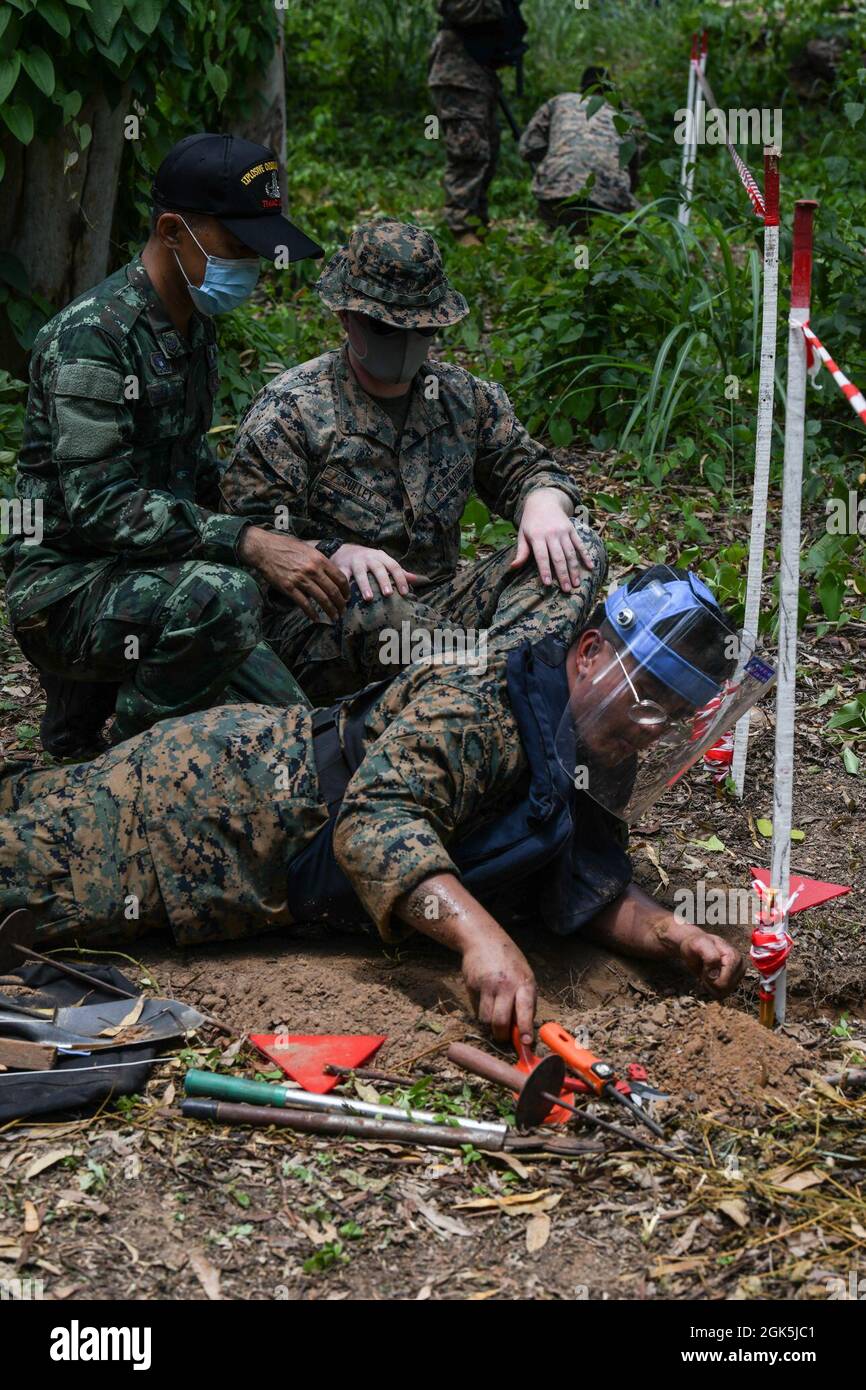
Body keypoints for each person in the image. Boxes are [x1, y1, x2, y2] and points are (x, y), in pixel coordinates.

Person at [0, 567, 772, 1042]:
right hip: (207, 809)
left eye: (672, 715)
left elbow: (584, 877)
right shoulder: (485, 699)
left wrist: (671, 932)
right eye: (648, 699)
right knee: (24, 877)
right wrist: (480, 939)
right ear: (592, 652)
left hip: (266, 854)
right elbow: (375, 824)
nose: (651, 727)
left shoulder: (595, 748)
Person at [2, 133, 348, 758]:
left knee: (304, 736)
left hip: (150, 568)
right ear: (170, 230)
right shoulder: (93, 338)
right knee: (224, 594)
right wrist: (247, 543)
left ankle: (97, 718)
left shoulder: (191, 324)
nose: (249, 262)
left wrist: (309, 544)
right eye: (235, 244)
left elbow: (190, 471)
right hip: (66, 587)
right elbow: (102, 507)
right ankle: (125, 777)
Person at [221, 218, 596, 703]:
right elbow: (243, 542)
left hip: (440, 608)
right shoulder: (292, 411)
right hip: (332, 622)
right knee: (384, 613)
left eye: (421, 328)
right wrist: (333, 552)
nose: (403, 342)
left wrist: (543, 502)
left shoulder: (461, 398)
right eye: (384, 327)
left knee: (576, 551)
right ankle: (501, 688)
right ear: (345, 318)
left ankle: (493, 681)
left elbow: (527, 468)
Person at [428, 0, 528, 245]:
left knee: (488, 151)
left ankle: (477, 224)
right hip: (458, 69)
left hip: (479, 69)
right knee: (468, 151)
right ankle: (461, 229)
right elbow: (457, 8)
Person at [519, 69, 642, 232]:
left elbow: (527, 148)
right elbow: (634, 164)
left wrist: (559, 150)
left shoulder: (560, 101)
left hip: (555, 196)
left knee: (560, 223)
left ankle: (563, 239)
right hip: (608, 204)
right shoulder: (623, 115)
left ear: (582, 88)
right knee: (640, 224)